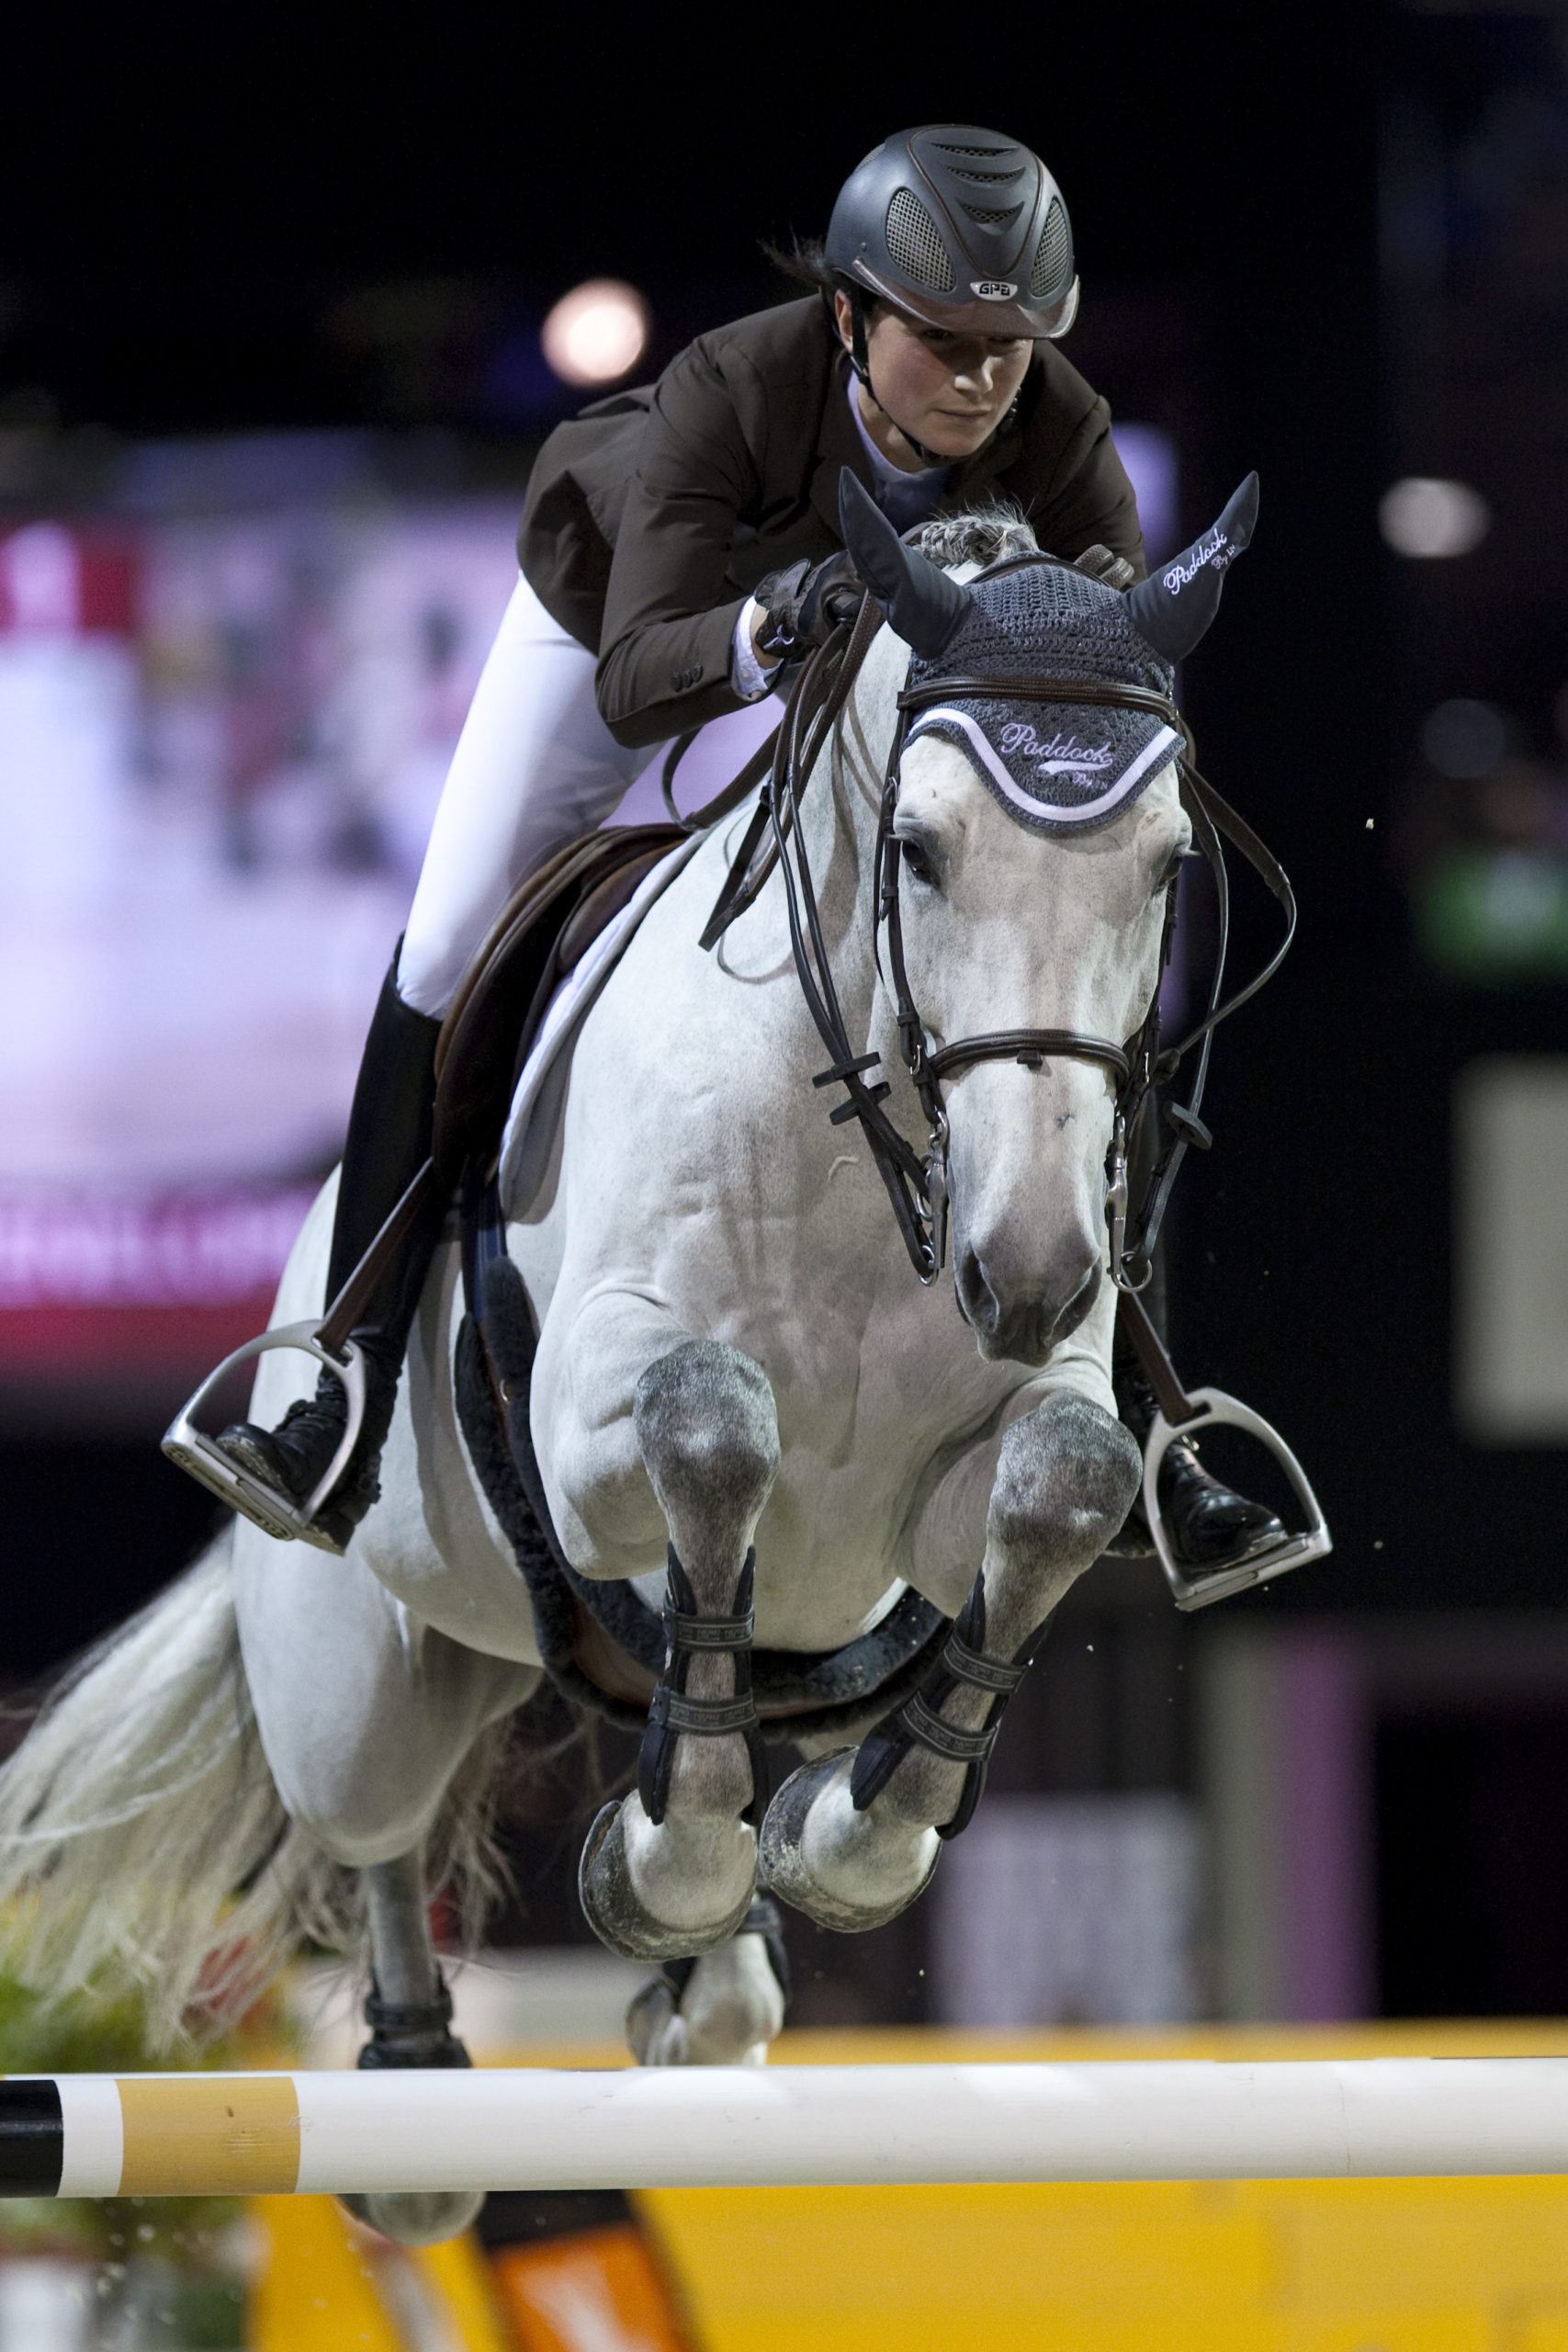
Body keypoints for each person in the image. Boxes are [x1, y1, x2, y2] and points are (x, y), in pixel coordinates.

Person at [202, 124, 1282, 1575]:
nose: (979, 376)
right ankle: (346, 1370)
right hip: (633, 635)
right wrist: (774, 626)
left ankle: (1154, 1421)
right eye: (944, 339)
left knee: (1073, 993)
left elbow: (1088, 676)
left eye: (1010, 347)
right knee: (455, 936)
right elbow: (641, 677)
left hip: (883, 711)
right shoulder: (733, 385)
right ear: (850, 314)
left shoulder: (1064, 429)